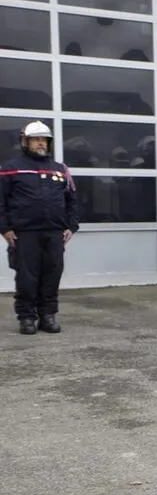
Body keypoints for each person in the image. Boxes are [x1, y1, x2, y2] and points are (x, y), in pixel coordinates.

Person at [0, 121, 79, 335]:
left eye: (44, 140)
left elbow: (71, 199)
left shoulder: (60, 169)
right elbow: (1, 202)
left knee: (52, 275)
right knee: (27, 277)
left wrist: (71, 225)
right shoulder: (9, 169)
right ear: (25, 142)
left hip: (54, 233)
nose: (41, 143)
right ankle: (26, 317)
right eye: (36, 139)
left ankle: (48, 316)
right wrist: (5, 228)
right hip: (24, 233)